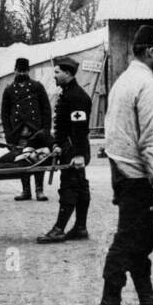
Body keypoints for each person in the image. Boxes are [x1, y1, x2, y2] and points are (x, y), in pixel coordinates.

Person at [98, 24, 153, 305]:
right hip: (136, 175)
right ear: (150, 51)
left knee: (141, 239)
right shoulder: (147, 86)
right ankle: (109, 303)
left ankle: (148, 301)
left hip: (123, 170)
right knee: (128, 239)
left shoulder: (125, 79)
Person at [37, 56, 91, 243]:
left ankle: (59, 229)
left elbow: (80, 129)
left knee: (69, 187)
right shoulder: (69, 93)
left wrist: (77, 154)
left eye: (57, 72)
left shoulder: (76, 97)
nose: (55, 76)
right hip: (69, 149)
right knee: (81, 187)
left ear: (67, 73)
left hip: (74, 150)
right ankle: (80, 228)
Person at [2, 57, 52, 202]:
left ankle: (39, 190)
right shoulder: (9, 90)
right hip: (18, 131)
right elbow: (4, 114)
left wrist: (46, 131)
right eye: (19, 70)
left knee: (38, 158)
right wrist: (8, 133)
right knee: (22, 158)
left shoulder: (37, 86)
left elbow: (46, 110)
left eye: (24, 70)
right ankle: (26, 190)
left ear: (28, 70)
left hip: (36, 130)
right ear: (15, 70)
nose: (22, 73)